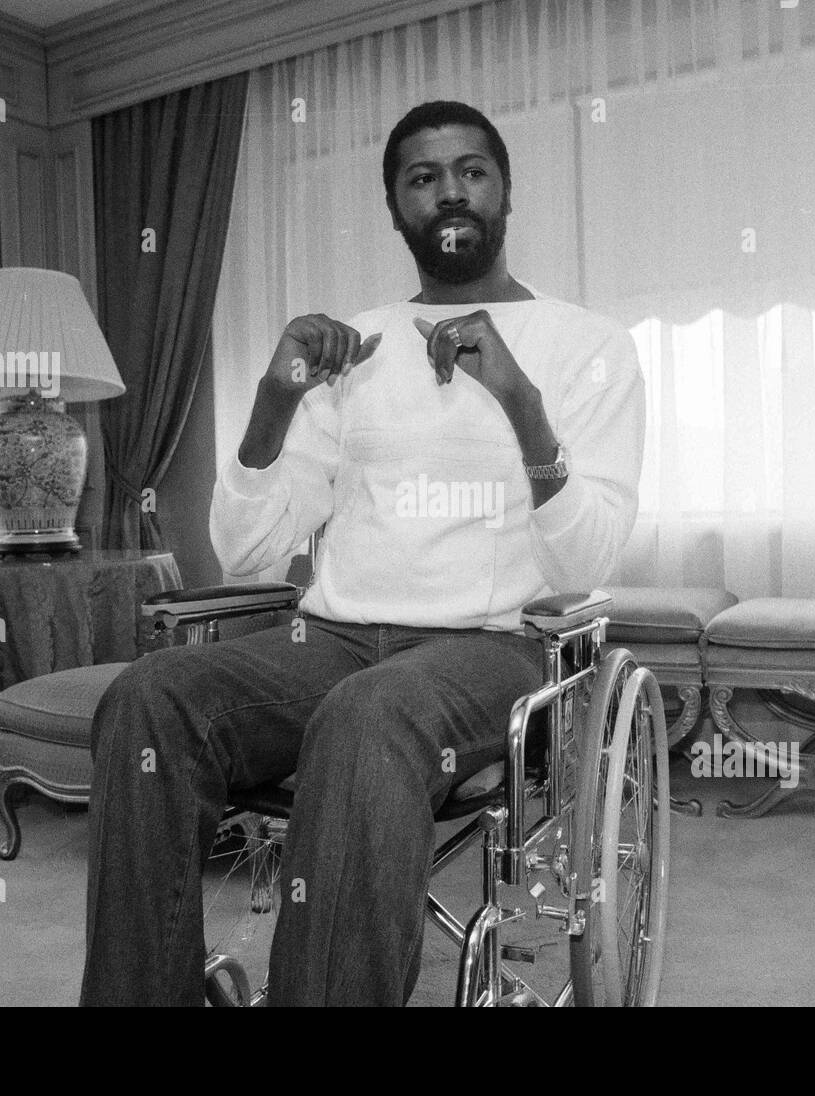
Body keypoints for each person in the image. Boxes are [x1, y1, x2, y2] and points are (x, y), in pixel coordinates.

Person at [80, 100, 645, 1006]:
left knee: (367, 714)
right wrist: (275, 399)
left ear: (505, 192)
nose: (449, 191)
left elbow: (583, 565)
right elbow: (248, 551)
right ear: (395, 208)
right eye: (423, 178)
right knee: (149, 697)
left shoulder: (590, 346)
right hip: (331, 640)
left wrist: (520, 402)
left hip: (484, 649)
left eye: (471, 170)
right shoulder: (357, 346)